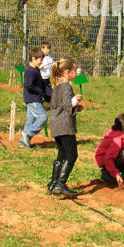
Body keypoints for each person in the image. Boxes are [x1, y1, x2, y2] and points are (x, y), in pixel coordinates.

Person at [47, 57, 82, 198]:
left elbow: (59, 106)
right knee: (72, 154)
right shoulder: (67, 85)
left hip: (56, 125)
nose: (76, 73)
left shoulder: (57, 86)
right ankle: (61, 183)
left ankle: (53, 183)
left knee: (61, 153)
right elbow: (68, 104)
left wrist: (76, 107)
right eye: (74, 70)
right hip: (65, 126)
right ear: (67, 72)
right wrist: (75, 100)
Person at [19, 47, 48, 149]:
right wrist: (40, 91)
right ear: (33, 58)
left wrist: (49, 93)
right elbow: (28, 85)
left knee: (30, 121)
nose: (41, 62)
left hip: (34, 99)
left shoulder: (35, 70)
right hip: (33, 99)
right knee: (43, 117)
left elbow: (41, 85)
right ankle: (28, 133)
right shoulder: (30, 71)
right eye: (40, 60)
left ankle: (23, 142)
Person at [95, 115, 124, 186]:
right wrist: (116, 174)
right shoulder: (117, 140)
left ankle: (111, 172)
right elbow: (108, 159)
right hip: (105, 160)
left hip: (110, 158)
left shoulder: (119, 135)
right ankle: (107, 173)